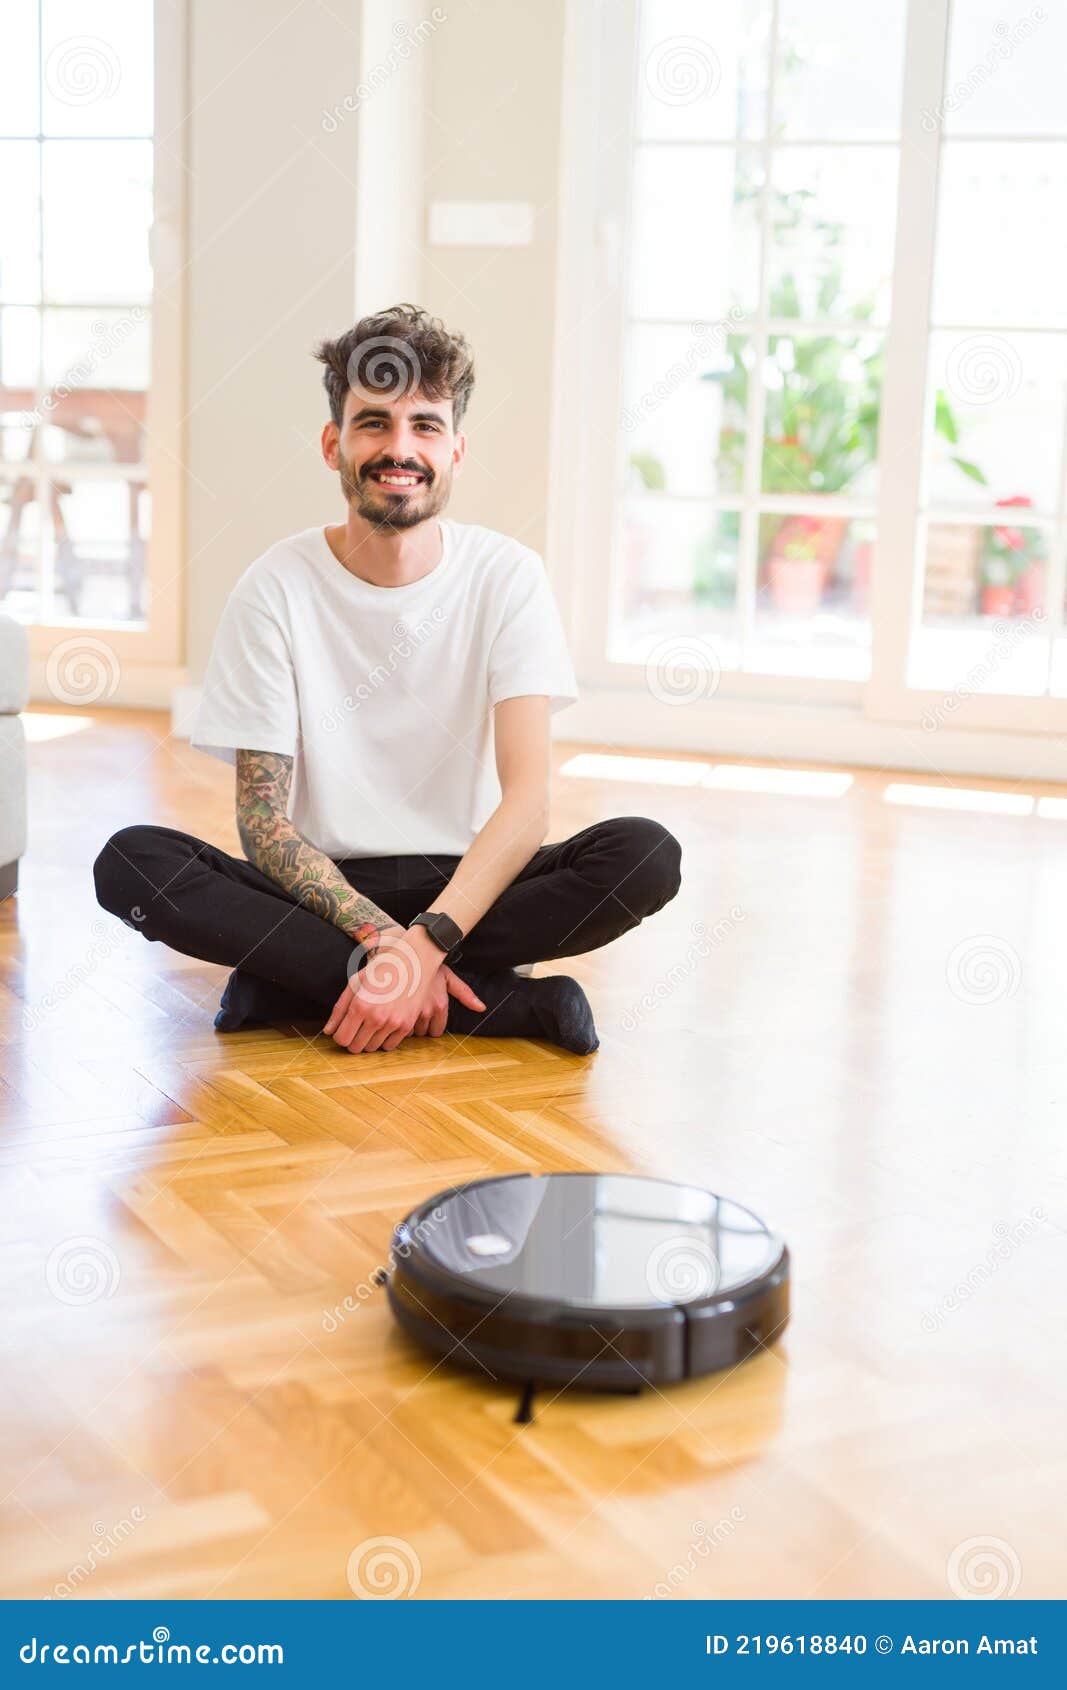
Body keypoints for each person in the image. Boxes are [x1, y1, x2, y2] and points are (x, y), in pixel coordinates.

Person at [93, 305, 682, 1056]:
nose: (398, 448)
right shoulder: (274, 586)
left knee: (644, 854)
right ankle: (492, 1003)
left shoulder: (507, 577)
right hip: (320, 893)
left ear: (456, 450)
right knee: (131, 862)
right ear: (333, 443)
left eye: (424, 426)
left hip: (469, 888)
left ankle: (294, 985)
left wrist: (429, 939)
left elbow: (529, 800)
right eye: (374, 424)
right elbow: (264, 827)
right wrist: (381, 940)